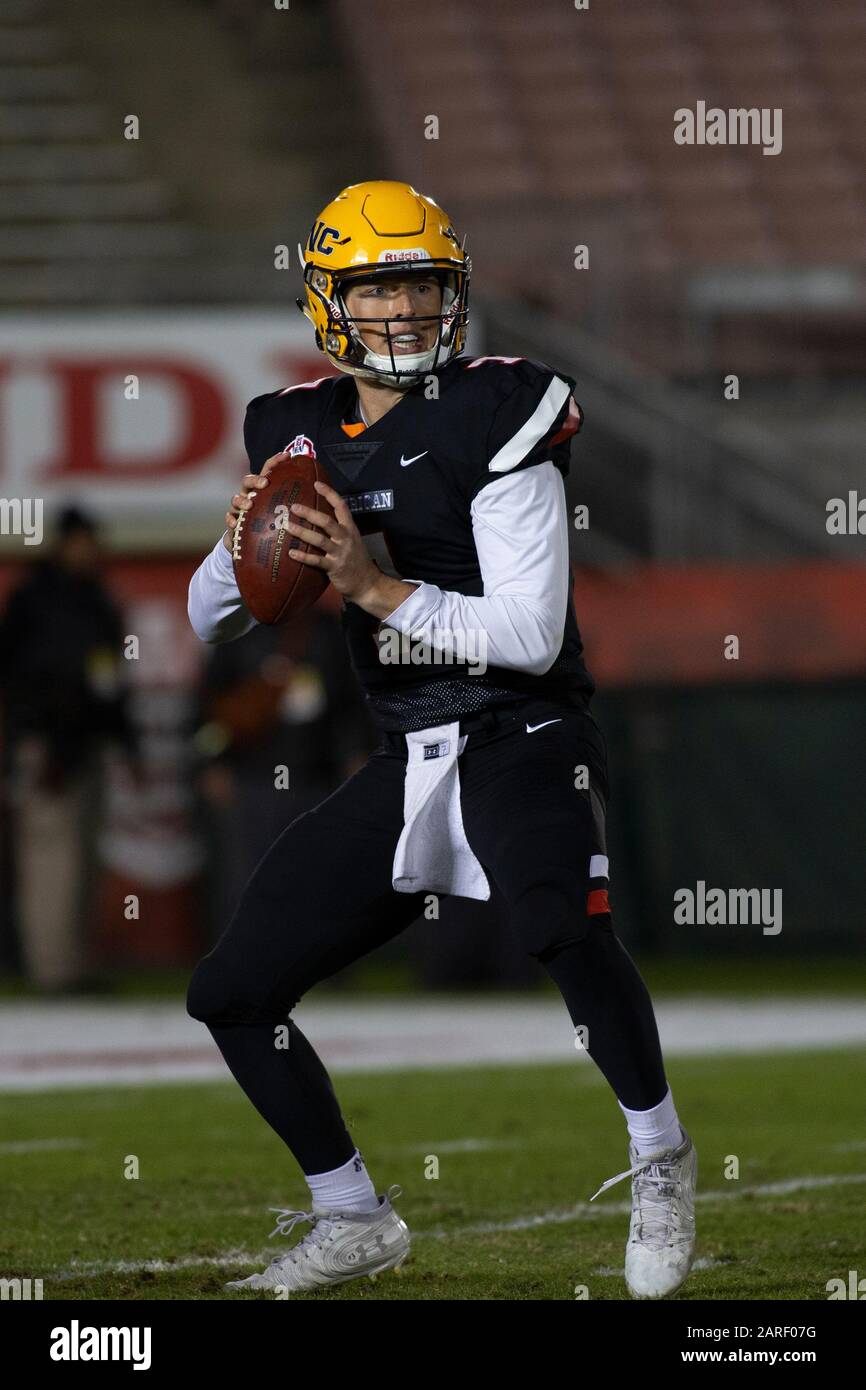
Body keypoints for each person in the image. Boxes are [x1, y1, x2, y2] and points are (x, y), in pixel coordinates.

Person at [185, 180, 697, 1299]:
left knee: (557, 922)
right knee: (231, 990)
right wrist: (241, 551)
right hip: (406, 748)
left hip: (524, 729)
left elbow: (523, 633)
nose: (405, 310)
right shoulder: (294, 428)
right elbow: (204, 617)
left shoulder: (495, 410)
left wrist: (370, 584)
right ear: (330, 300)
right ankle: (352, 1215)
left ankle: (658, 1154)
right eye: (378, 288)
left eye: (420, 283)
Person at [0, 506, 137, 990]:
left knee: (81, 859)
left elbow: (111, 681)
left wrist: (126, 743)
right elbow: (18, 679)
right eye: (83, 541)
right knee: (49, 860)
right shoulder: (33, 599)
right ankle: (50, 969)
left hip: (89, 746)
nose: (90, 551)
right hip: (45, 747)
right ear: (64, 542)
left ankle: (76, 964)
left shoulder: (96, 599)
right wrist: (30, 737)